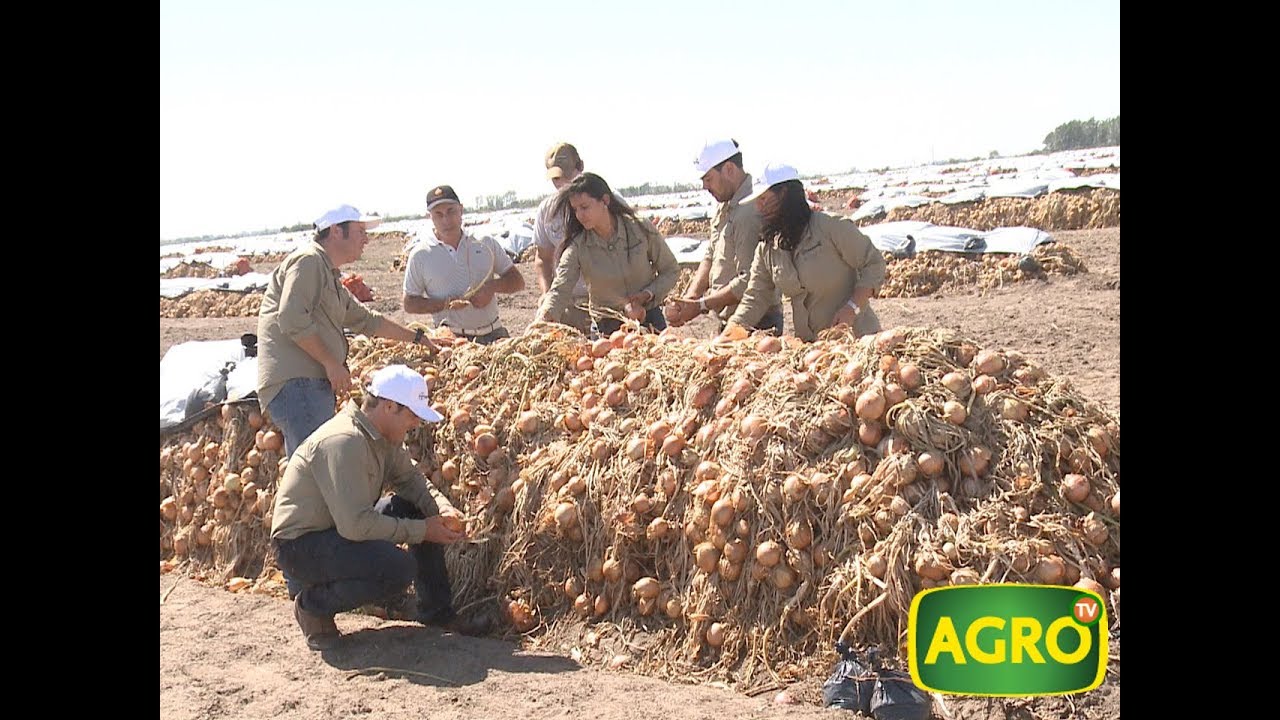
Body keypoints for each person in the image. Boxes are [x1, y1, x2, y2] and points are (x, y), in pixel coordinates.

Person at [270, 364, 490, 650]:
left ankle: (438, 614)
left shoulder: (381, 438)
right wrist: (423, 531)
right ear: (388, 407)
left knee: (415, 506)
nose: (415, 423)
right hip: (301, 546)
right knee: (397, 568)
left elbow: (412, 481)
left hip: (338, 530)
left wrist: (443, 511)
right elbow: (356, 525)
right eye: (411, 415)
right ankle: (313, 607)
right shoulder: (345, 441)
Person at [257, 204, 437, 458]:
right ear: (335, 232)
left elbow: (366, 320)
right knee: (314, 471)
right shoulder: (308, 260)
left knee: (313, 469)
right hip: (298, 384)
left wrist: (417, 337)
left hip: (309, 386)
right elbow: (291, 318)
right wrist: (331, 363)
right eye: (360, 231)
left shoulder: (328, 273)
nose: (366, 239)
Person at [722, 164, 886, 341]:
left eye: (764, 199)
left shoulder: (830, 227)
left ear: (785, 194)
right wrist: (729, 333)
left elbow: (874, 263)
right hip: (812, 349)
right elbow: (756, 295)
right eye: (757, 201)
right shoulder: (768, 249)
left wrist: (852, 308)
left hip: (857, 338)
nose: (759, 208)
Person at [536, 172, 679, 335]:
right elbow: (560, 288)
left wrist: (647, 294)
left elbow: (671, 270)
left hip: (649, 320)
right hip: (607, 328)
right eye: (575, 209)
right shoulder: (578, 246)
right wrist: (543, 318)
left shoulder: (639, 228)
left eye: (585, 207)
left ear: (605, 201)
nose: (579, 215)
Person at [665, 139, 783, 335]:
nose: (705, 186)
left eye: (708, 179)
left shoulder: (750, 210)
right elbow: (710, 255)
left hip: (756, 322)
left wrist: (701, 305)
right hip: (729, 319)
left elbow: (750, 280)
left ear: (729, 169)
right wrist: (692, 297)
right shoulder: (724, 206)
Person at [402, 185, 525, 344]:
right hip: (452, 342)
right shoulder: (421, 255)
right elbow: (409, 303)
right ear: (430, 217)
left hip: (494, 335)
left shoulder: (484, 243)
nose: (446, 220)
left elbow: (517, 281)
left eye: (451, 211)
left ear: (461, 210)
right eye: (438, 214)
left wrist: (492, 287)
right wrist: (446, 304)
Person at [532, 142, 594, 333]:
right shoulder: (547, 211)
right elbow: (543, 258)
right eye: (556, 178)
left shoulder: (606, 200)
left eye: (567, 175)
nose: (563, 182)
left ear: (581, 166)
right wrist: (546, 292)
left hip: (607, 301)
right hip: (569, 304)